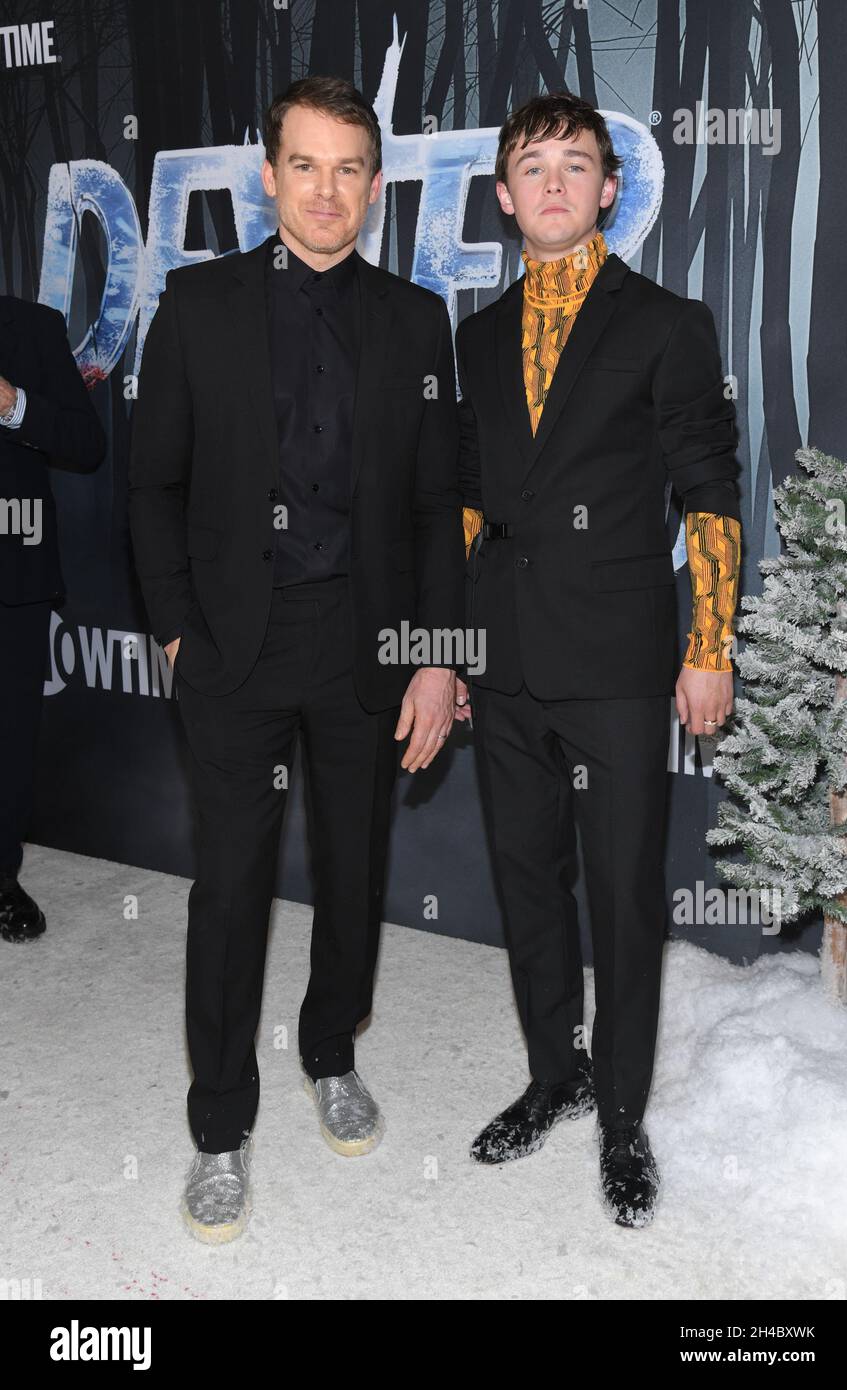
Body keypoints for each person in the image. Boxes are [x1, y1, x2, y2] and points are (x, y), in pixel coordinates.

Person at [128, 76, 465, 1244]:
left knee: (355, 866)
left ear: (375, 186)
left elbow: (436, 510)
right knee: (228, 886)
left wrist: (432, 657)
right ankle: (219, 1123)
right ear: (267, 175)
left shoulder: (418, 324)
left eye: (350, 169)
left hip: (365, 644)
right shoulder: (196, 304)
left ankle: (332, 1050)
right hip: (231, 645)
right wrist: (177, 630)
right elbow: (151, 483)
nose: (327, 192)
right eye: (306, 166)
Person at [454, 93, 742, 1227]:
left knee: (623, 897)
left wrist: (708, 643)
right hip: (505, 658)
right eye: (534, 167)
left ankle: (622, 1116)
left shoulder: (668, 324)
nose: (556, 184)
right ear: (506, 196)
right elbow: (466, 504)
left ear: (610, 187)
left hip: (622, 662)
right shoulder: (473, 338)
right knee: (527, 881)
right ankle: (552, 1073)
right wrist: (448, 649)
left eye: (577, 165)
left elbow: (709, 493)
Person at [0, 296, 105, 943]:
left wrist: (14, 405)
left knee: (9, 735)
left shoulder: (29, 326)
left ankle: (1, 877)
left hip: (11, 571)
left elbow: (86, 443)